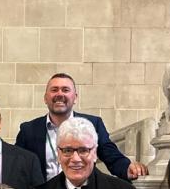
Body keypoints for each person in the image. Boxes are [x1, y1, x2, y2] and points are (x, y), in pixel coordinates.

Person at [15, 72, 148, 182]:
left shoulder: (93, 124)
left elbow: (110, 155)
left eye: (65, 90)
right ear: (45, 98)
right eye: (54, 90)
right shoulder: (29, 130)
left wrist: (127, 167)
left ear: (75, 97)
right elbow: (17, 166)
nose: (59, 94)